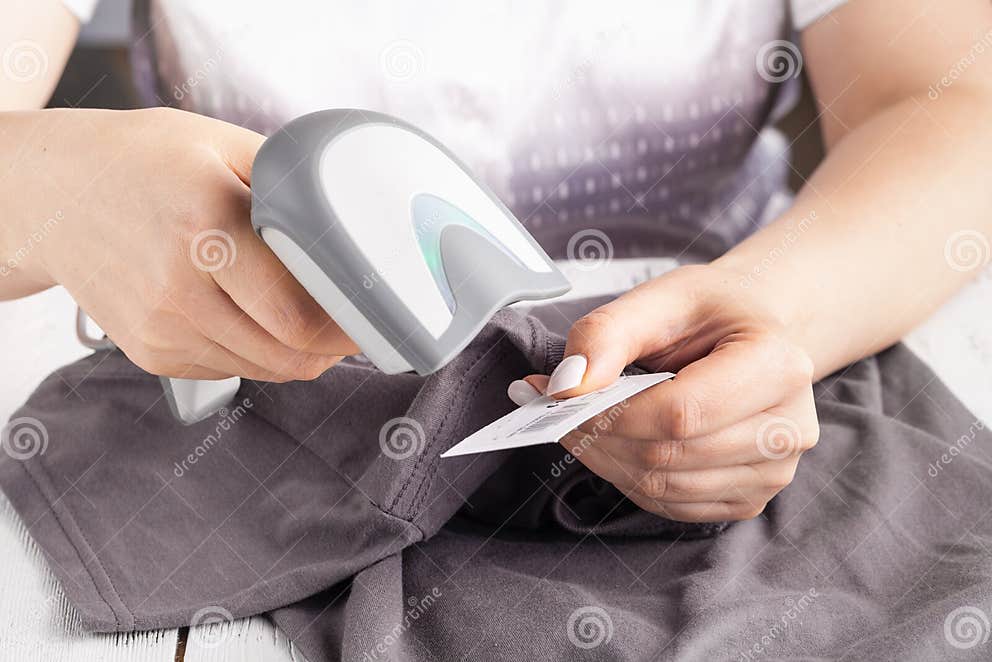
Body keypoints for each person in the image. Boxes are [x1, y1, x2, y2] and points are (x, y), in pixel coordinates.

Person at [2, 0, 990, 523]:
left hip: (733, 377)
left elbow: (950, 101)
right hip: (264, 415)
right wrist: (46, 192)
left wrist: (780, 305)